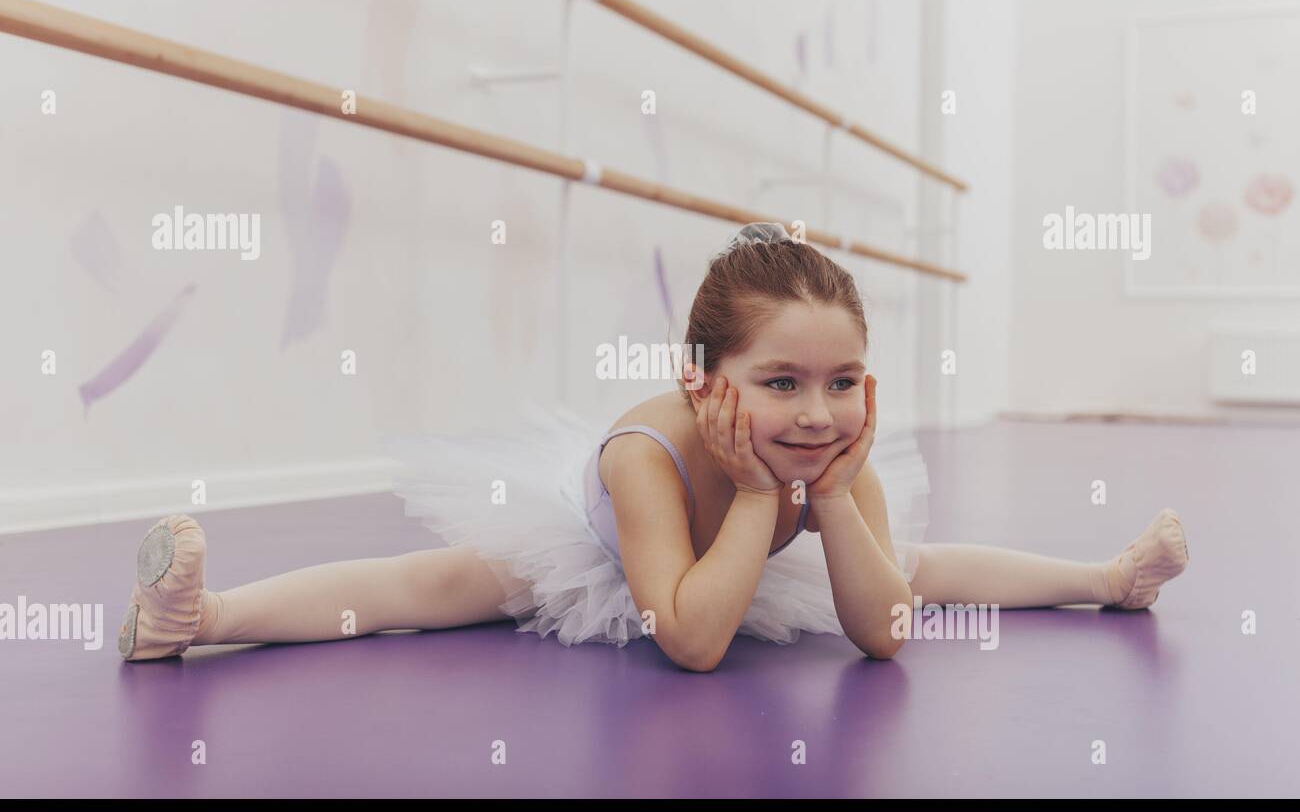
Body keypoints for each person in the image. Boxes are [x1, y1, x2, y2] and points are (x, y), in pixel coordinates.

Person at [118, 223, 1189, 672]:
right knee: (435, 581)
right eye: (779, 383)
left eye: (841, 380)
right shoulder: (646, 452)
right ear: (703, 381)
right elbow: (686, 636)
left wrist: (839, 498)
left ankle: (1106, 577)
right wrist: (770, 499)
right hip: (628, 555)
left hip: (734, 556)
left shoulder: (835, 442)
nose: (817, 412)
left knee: (920, 559)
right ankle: (198, 618)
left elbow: (886, 630)